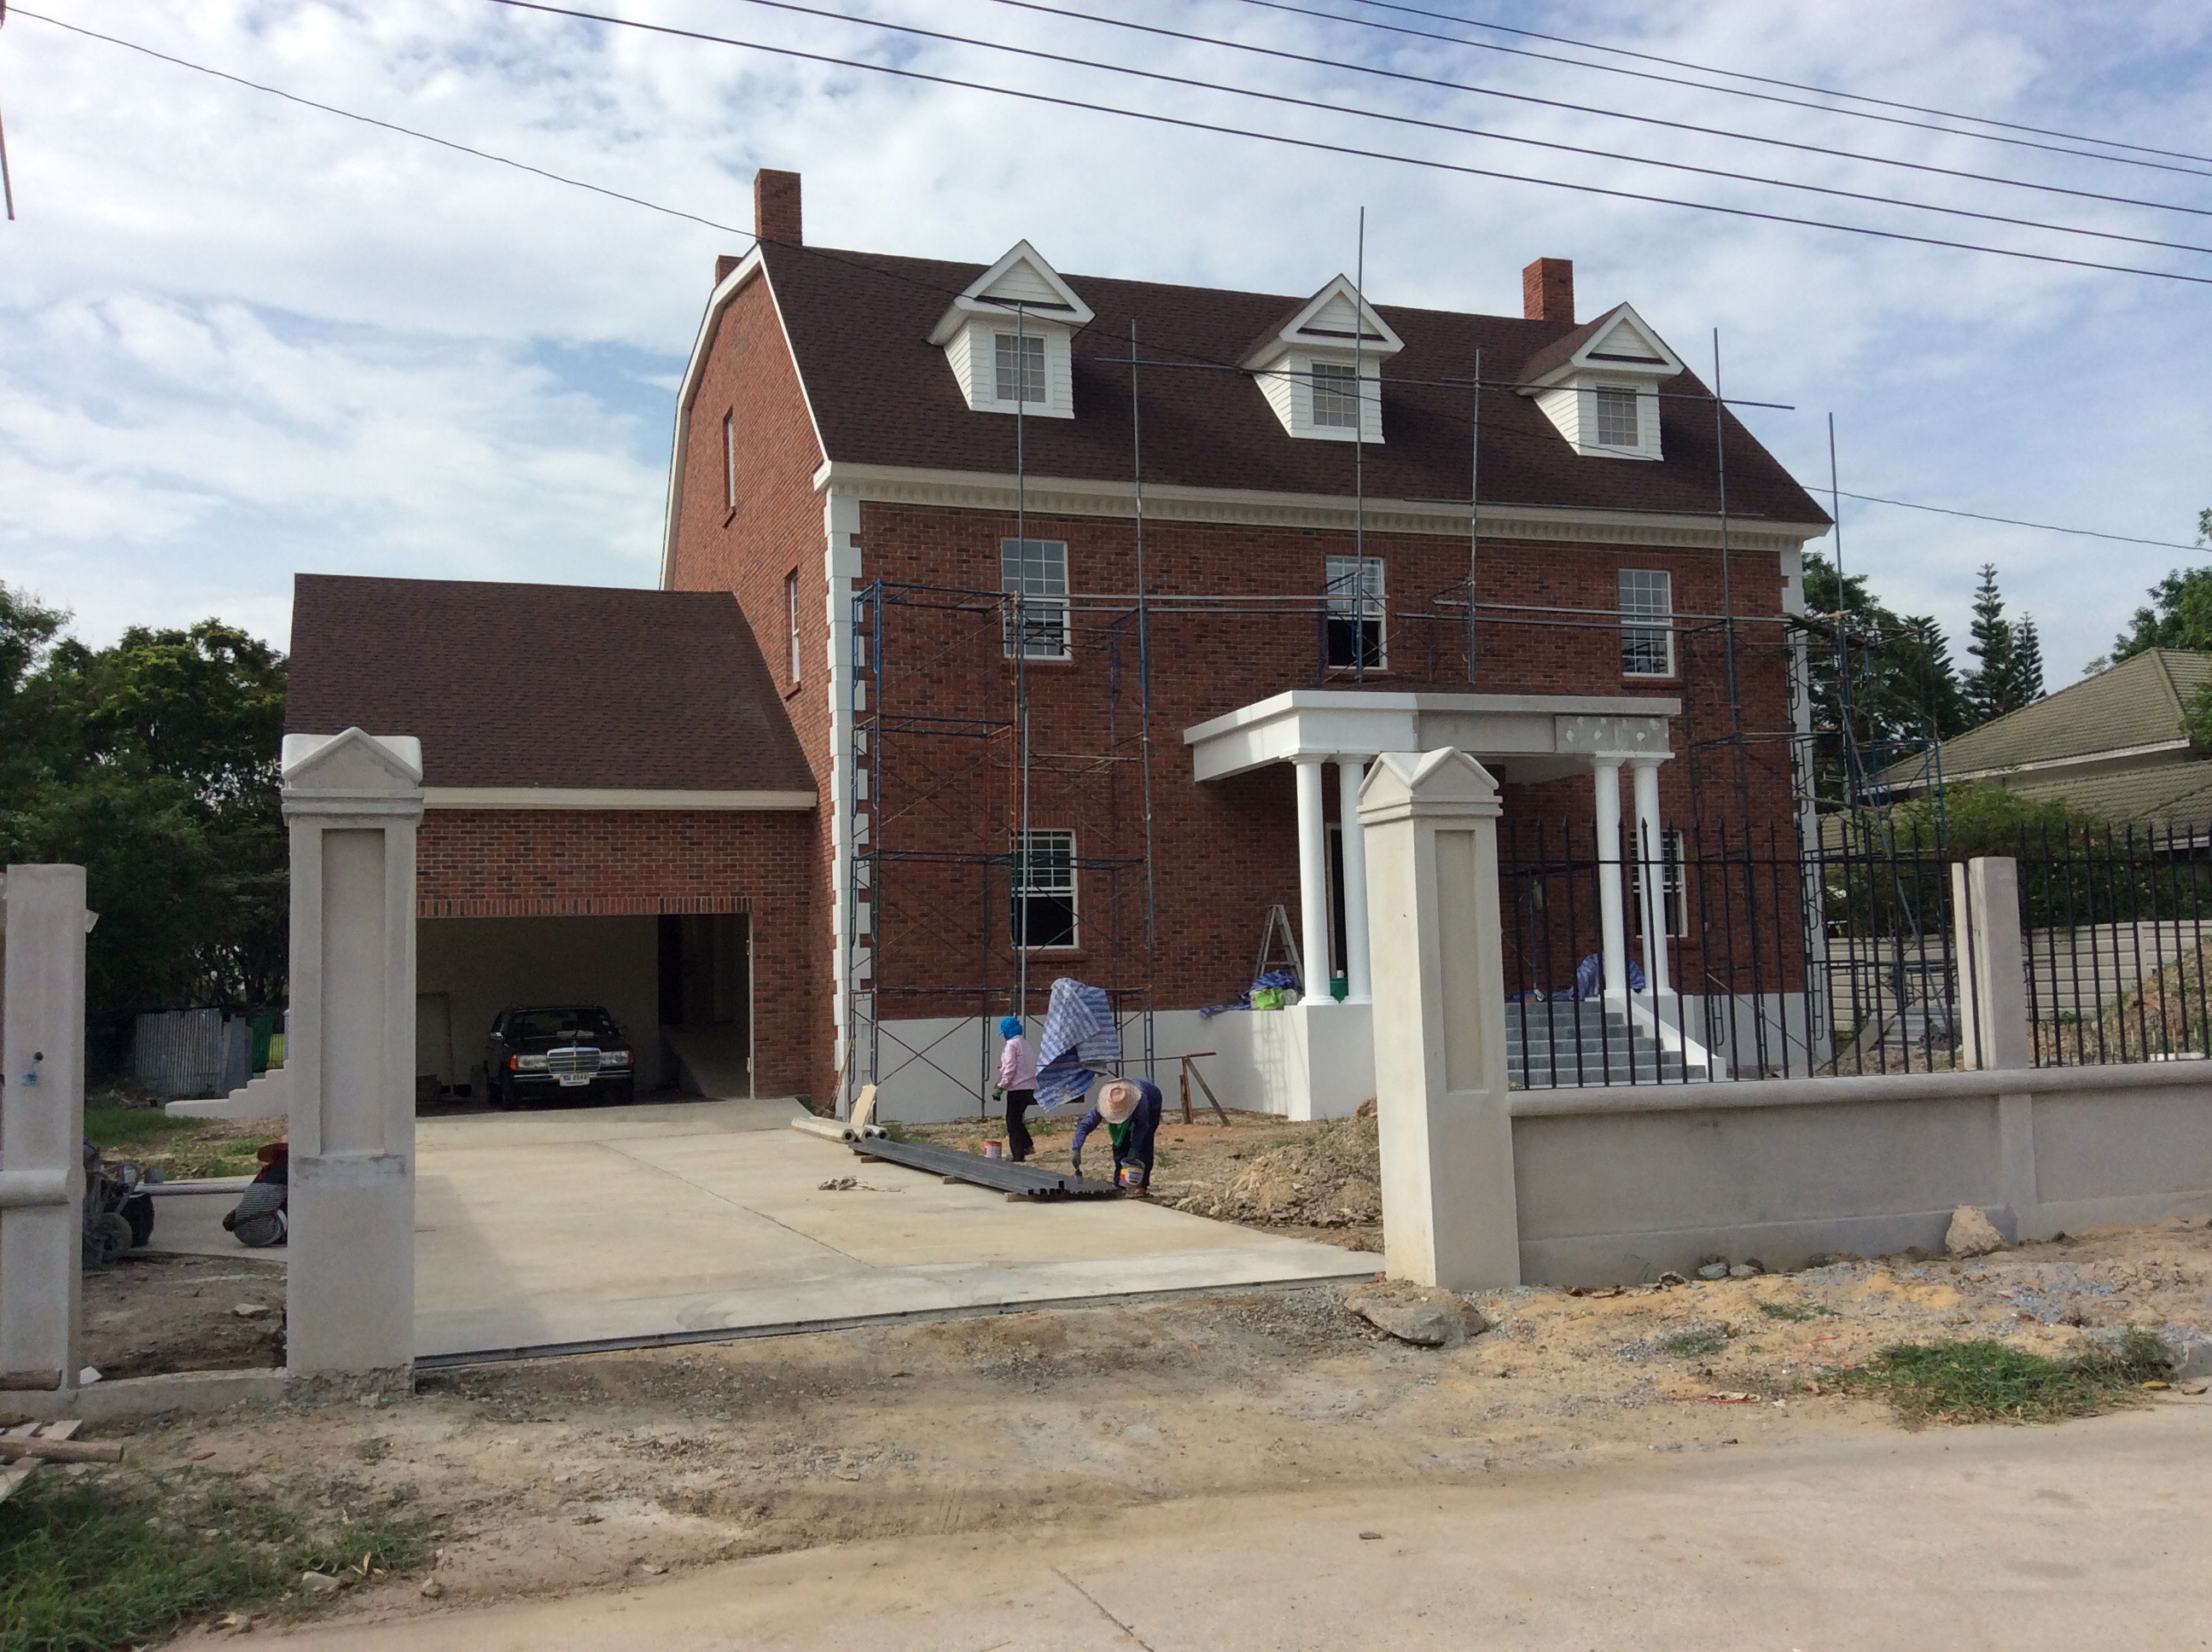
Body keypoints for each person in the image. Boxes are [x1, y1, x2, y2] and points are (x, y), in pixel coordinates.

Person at [1070, 1074, 1163, 1193]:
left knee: (1144, 1143)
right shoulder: (1105, 1103)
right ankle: (1120, 1182)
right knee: (1120, 1143)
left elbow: (1141, 1127)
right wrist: (1076, 1148)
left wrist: (1134, 1149)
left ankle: (1142, 1184)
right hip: (1130, 1104)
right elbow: (1085, 1126)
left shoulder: (1141, 1102)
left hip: (1153, 1100)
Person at [994, 1015, 1038, 1162]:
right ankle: (1027, 1145)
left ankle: (1018, 1154)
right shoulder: (1025, 1043)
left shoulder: (1011, 1045)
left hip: (1017, 1088)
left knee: (1012, 1121)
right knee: (1017, 1119)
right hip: (1029, 1086)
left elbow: (1010, 1068)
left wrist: (1001, 1086)